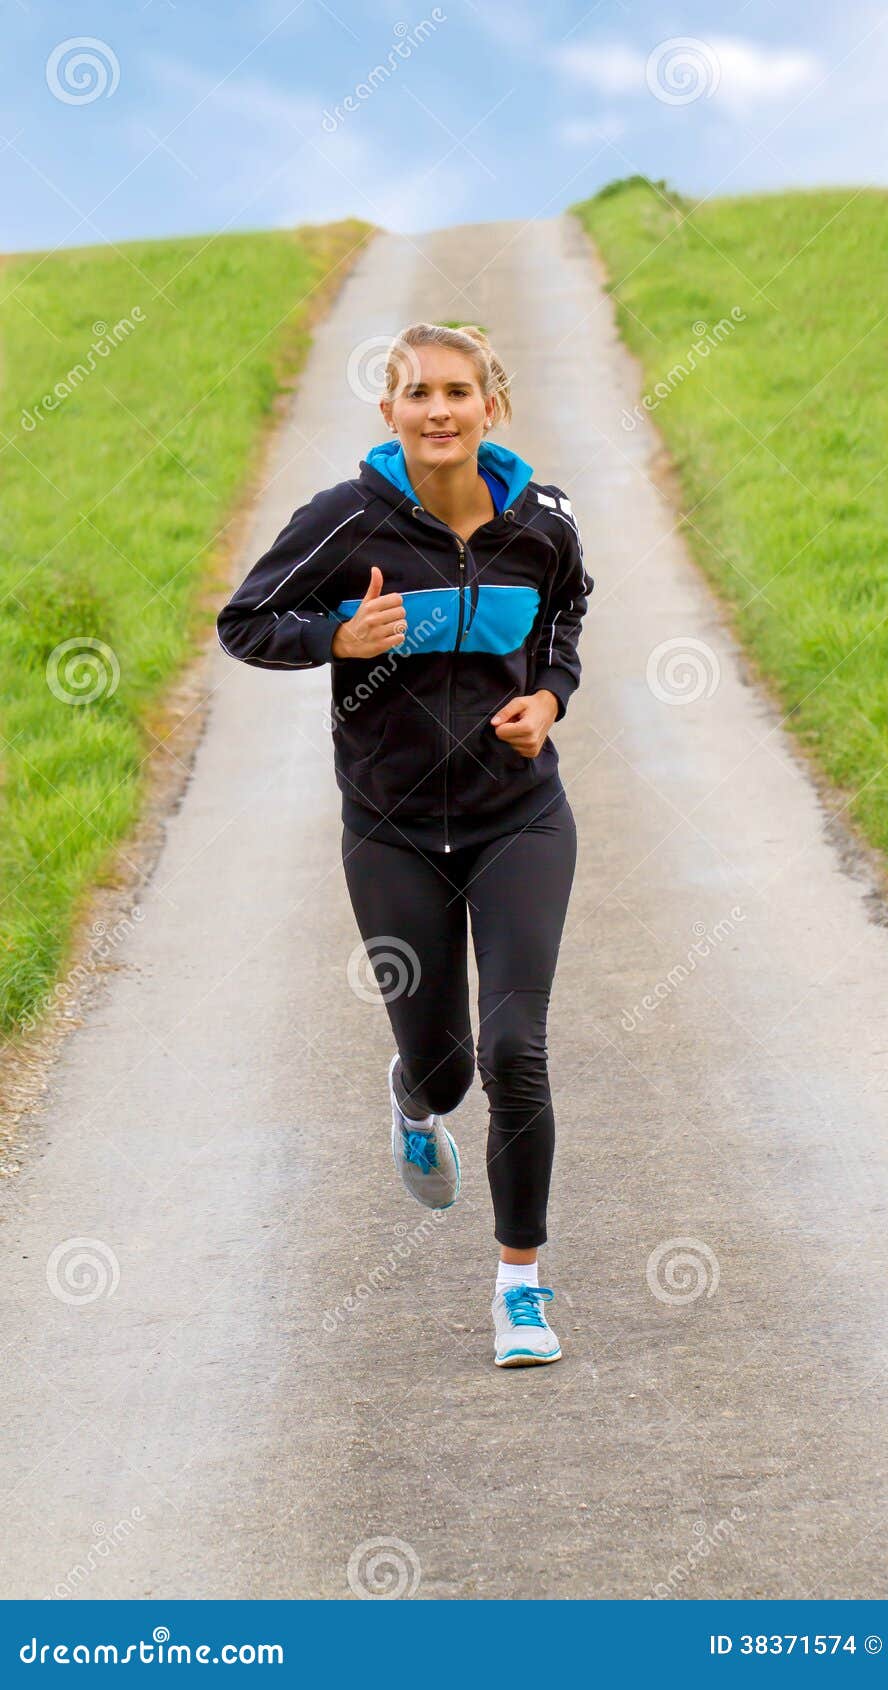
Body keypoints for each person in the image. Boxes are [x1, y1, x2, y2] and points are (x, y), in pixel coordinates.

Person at [216, 321, 594, 1368]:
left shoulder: (540, 521)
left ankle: (519, 1281)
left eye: (457, 391)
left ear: (490, 406)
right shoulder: (342, 523)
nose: (438, 409)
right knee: (446, 1068)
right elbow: (243, 621)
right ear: (388, 411)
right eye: (417, 392)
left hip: (518, 815)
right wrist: (331, 638)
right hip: (389, 830)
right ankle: (411, 1092)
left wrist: (549, 699)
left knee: (515, 1048)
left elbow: (564, 613)